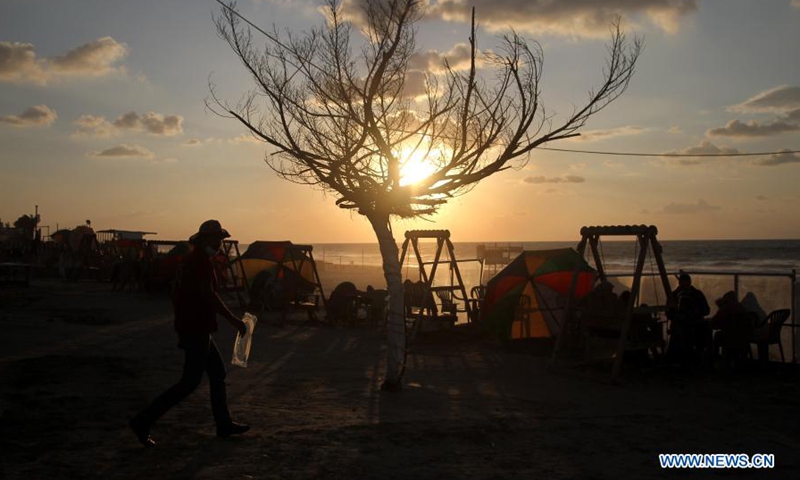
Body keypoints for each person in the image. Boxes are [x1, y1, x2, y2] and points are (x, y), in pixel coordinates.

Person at [129, 220, 250, 447]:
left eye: (220, 240)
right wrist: (234, 320)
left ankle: (224, 424)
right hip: (196, 327)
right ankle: (142, 420)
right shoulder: (200, 262)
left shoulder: (193, 261)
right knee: (189, 382)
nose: (219, 244)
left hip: (195, 325)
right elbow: (209, 295)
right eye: (216, 240)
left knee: (217, 374)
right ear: (205, 239)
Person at [666, 273, 711, 364]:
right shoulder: (675, 295)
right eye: (683, 285)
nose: (685, 288)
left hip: (694, 325)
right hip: (683, 325)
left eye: (686, 285)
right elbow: (669, 313)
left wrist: (695, 313)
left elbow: (706, 310)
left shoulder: (696, 294)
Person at [710, 291, 756, 367]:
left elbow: (714, 324)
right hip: (744, 338)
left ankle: (715, 359)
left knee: (717, 335)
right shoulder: (742, 308)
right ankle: (737, 360)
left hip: (729, 337)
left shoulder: (725, 309)